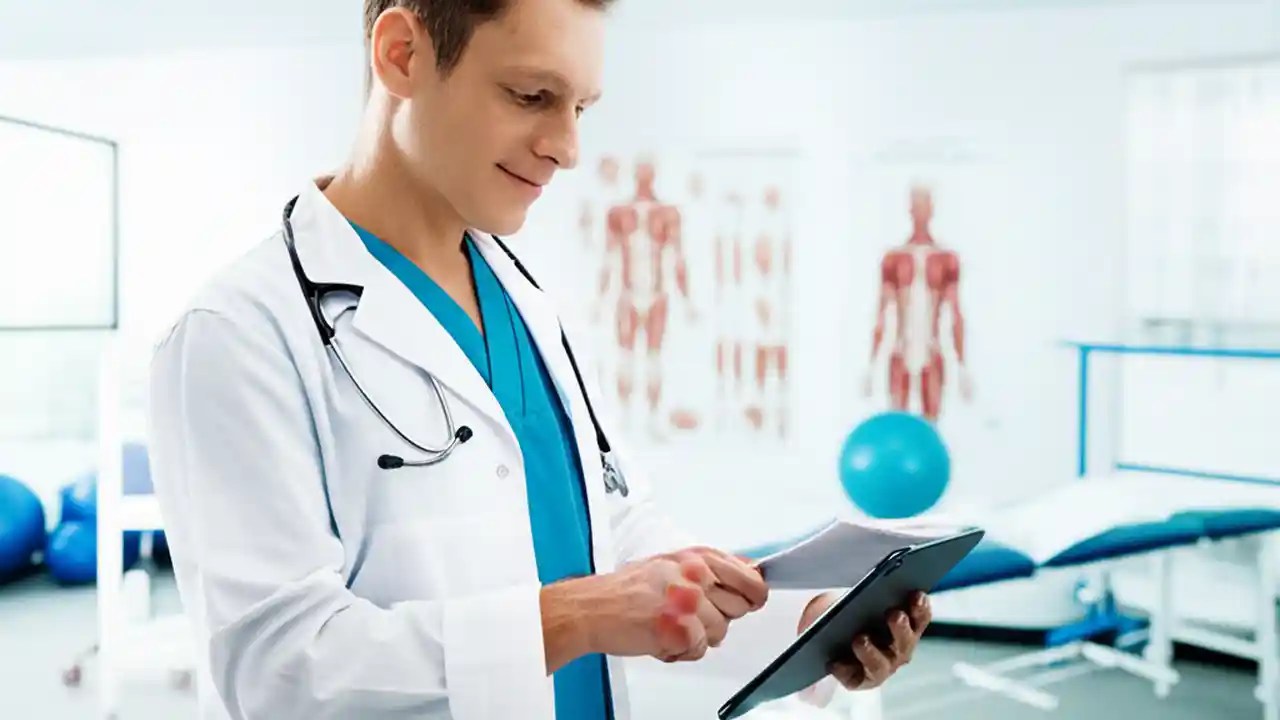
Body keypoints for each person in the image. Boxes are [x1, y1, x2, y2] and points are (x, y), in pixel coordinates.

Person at [146, 1, 931, 719]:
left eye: (581, 108)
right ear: (401, 55)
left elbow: (611, 525)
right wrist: (577, 616)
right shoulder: (238, 332)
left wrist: (807, 629)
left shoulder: (526, 298)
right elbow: (278, 670)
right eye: (531, 97)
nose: (567, 149)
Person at [864, 184, 971, 422]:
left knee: (931, 421)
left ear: (931, 210)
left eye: (924, 205)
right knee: (899, 420)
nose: (920, 211)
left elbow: (955, 314)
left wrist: (963, 364)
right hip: (901, 349)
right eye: (916, 205)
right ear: (909, 210)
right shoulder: (895, 259)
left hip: (931, 350)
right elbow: (881, 313)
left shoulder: (945, 259)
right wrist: (871, 365)